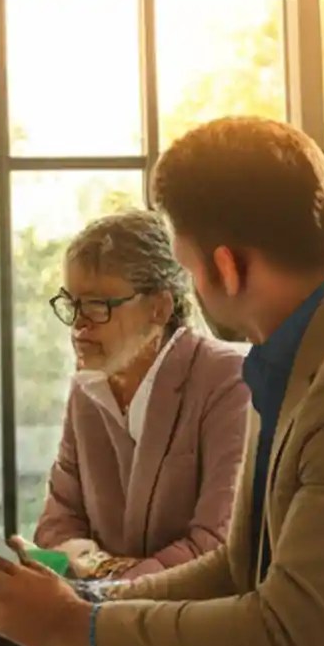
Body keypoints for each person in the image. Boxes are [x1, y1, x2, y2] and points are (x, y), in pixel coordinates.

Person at [0, 117, 324, 646]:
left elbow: (292, 642)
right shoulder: (292, 354)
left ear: (227, 267)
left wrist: (74, 627)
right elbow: (237, 567)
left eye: (187, 267)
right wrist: (85, 599)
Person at [33, 210, 249, 580]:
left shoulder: (228, 380)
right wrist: (101, 568)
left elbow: (214, 544)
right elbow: (56, 525)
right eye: (72, 304)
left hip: (191, 627)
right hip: (101, 619)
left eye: (98, 305)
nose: (79, 324)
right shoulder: (86, 389)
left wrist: (102, 577)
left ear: (159, 308)